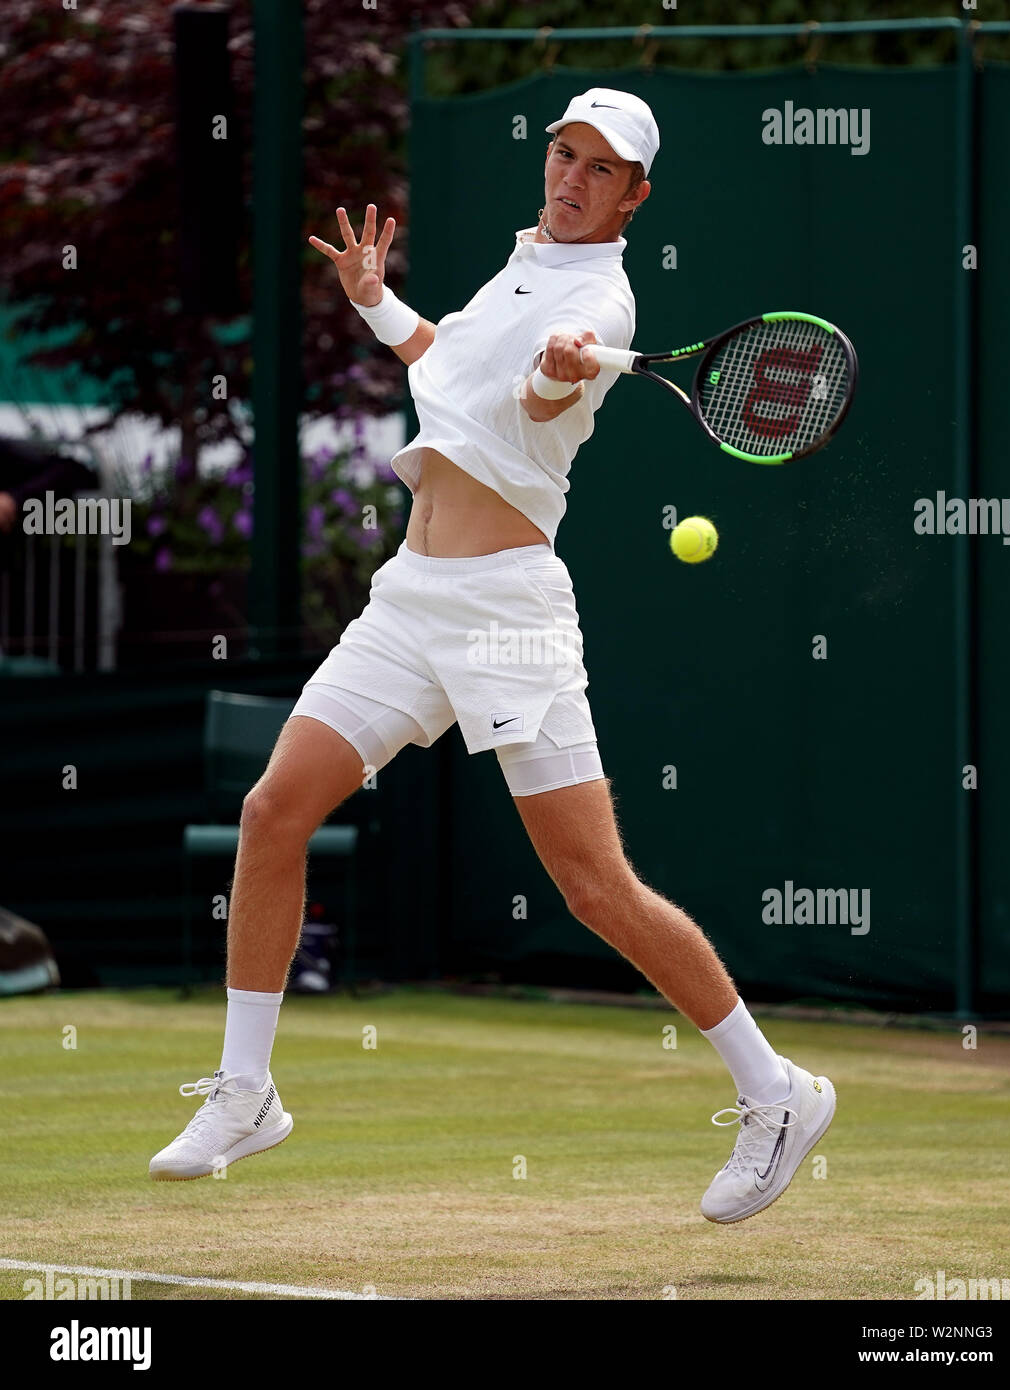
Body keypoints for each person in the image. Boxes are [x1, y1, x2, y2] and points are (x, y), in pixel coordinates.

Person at [150, 88, 835, 1225]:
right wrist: (376, 305)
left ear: (634, 196)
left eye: (599, 170)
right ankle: (246, 1087)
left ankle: (776, 1091)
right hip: (409, 601)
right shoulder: (517, 267)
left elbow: (531, 397)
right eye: (563, 155)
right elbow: (447, 374)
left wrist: (562, 371)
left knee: (589, 885)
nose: (570, 179)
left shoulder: (599, 297)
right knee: (275, 812)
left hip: (508, 612)